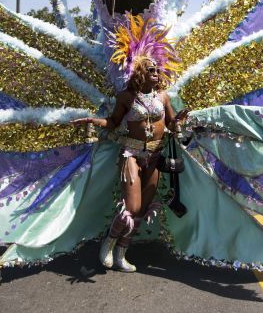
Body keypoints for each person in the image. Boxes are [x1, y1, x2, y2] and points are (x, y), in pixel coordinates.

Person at [72, 55, 188, 272]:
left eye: (157, 69)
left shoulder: (163, 96)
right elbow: (114, 122)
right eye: (151, 69)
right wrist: (94, 121)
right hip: (132, 155)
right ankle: (109, 241)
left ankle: (122, 252)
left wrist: (179, 120)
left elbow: (171, 124)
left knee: (142, 210)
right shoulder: (126, 97)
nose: (156, 72)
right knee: (132, 207)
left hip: (155, 157)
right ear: (140, 73)